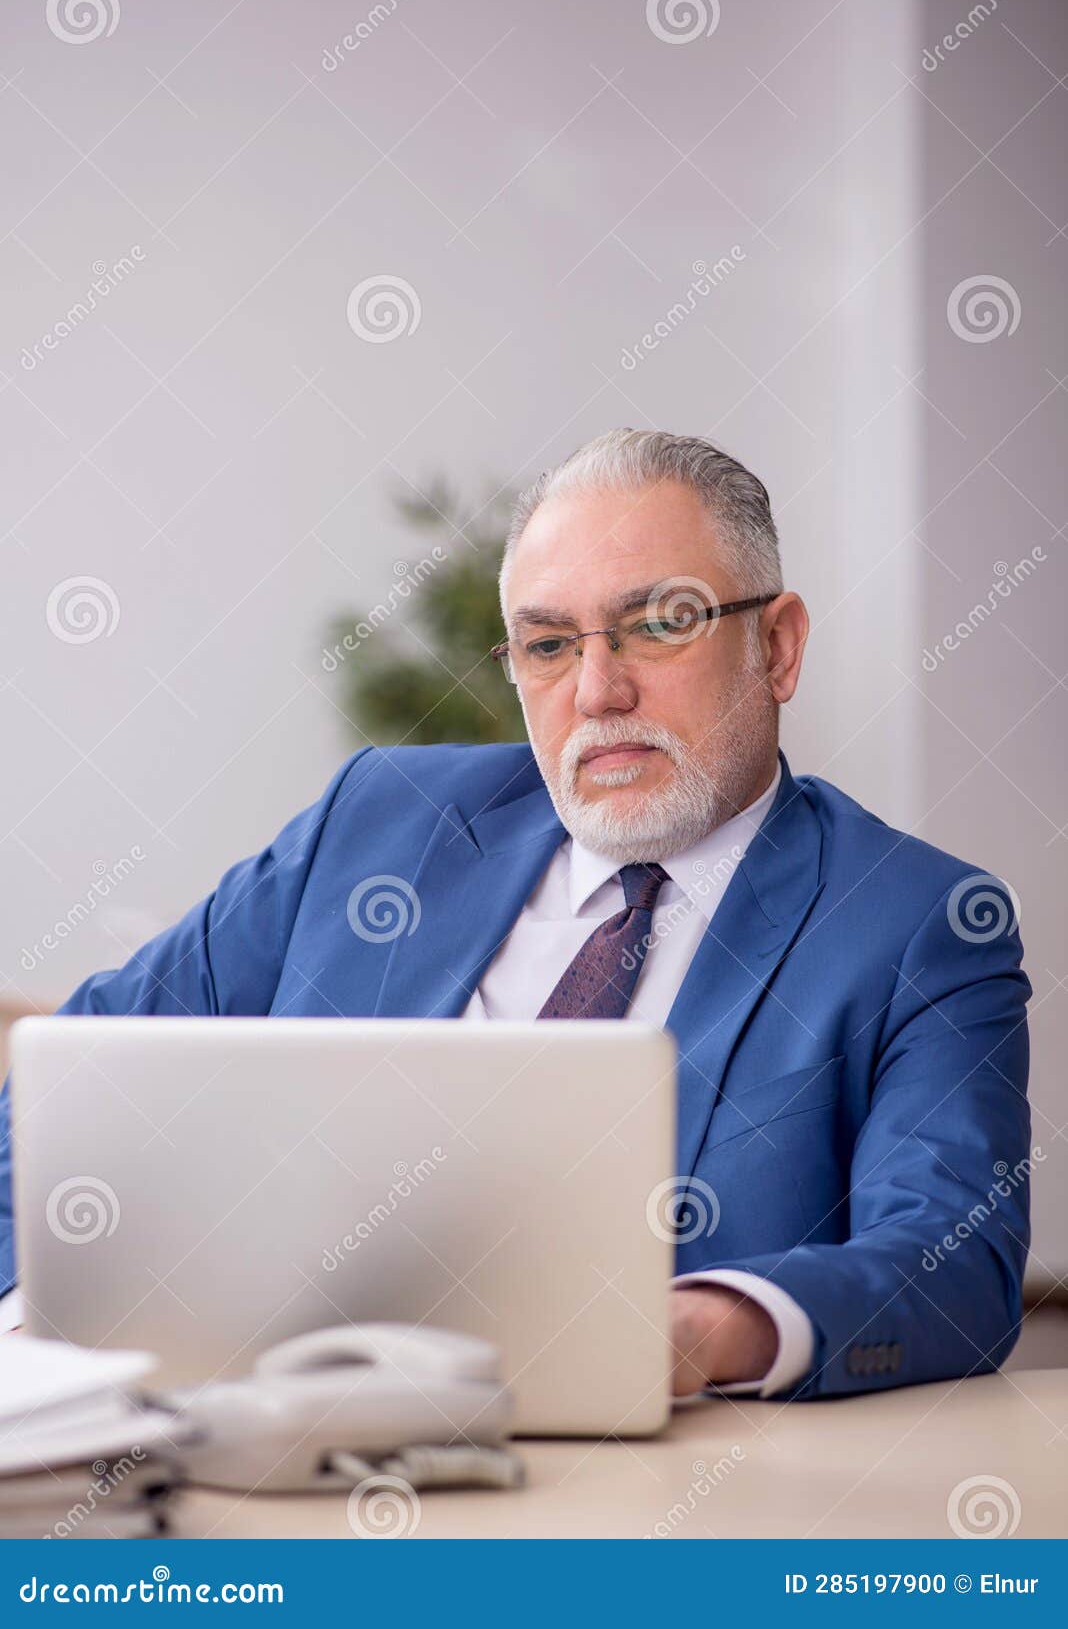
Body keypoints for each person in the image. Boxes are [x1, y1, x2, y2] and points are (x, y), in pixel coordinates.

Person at [0, 429, 1030, 1399]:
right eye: (546, 645)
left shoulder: (913, 923)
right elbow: (61, 1099)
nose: (597, 691)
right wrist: (34, 1340)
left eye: (659, 625)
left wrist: (700, 1331)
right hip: (270, 1436)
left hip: (649, 1483)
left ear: (778, 646)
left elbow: (953, 1264)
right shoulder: (378, 821)